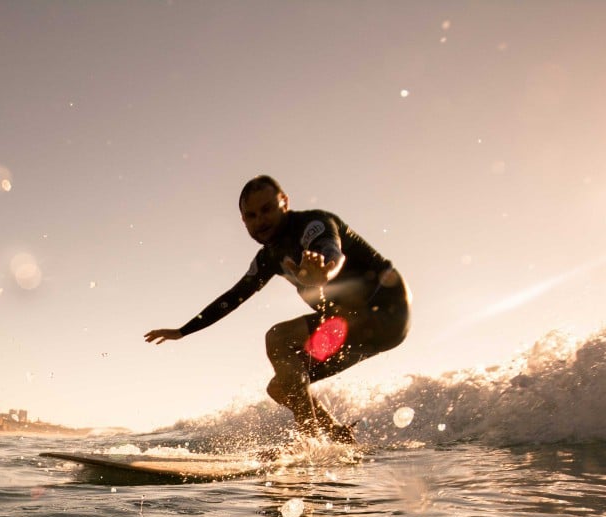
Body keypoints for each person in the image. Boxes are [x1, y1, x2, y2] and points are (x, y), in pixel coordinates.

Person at [144, 175, 409, 442]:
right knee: (282, 387)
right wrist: (183, 331)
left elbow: (331, 250)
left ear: (285, 203)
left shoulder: (314, 224)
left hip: (385, 307)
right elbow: (234, 297)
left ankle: (309, 444)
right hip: (353, 328)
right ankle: (338, 437)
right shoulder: (268, 257)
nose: (261, 220)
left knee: (278, 338)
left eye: (267, 209)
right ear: (244, 221)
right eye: (252, 215)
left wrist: (324, 273)